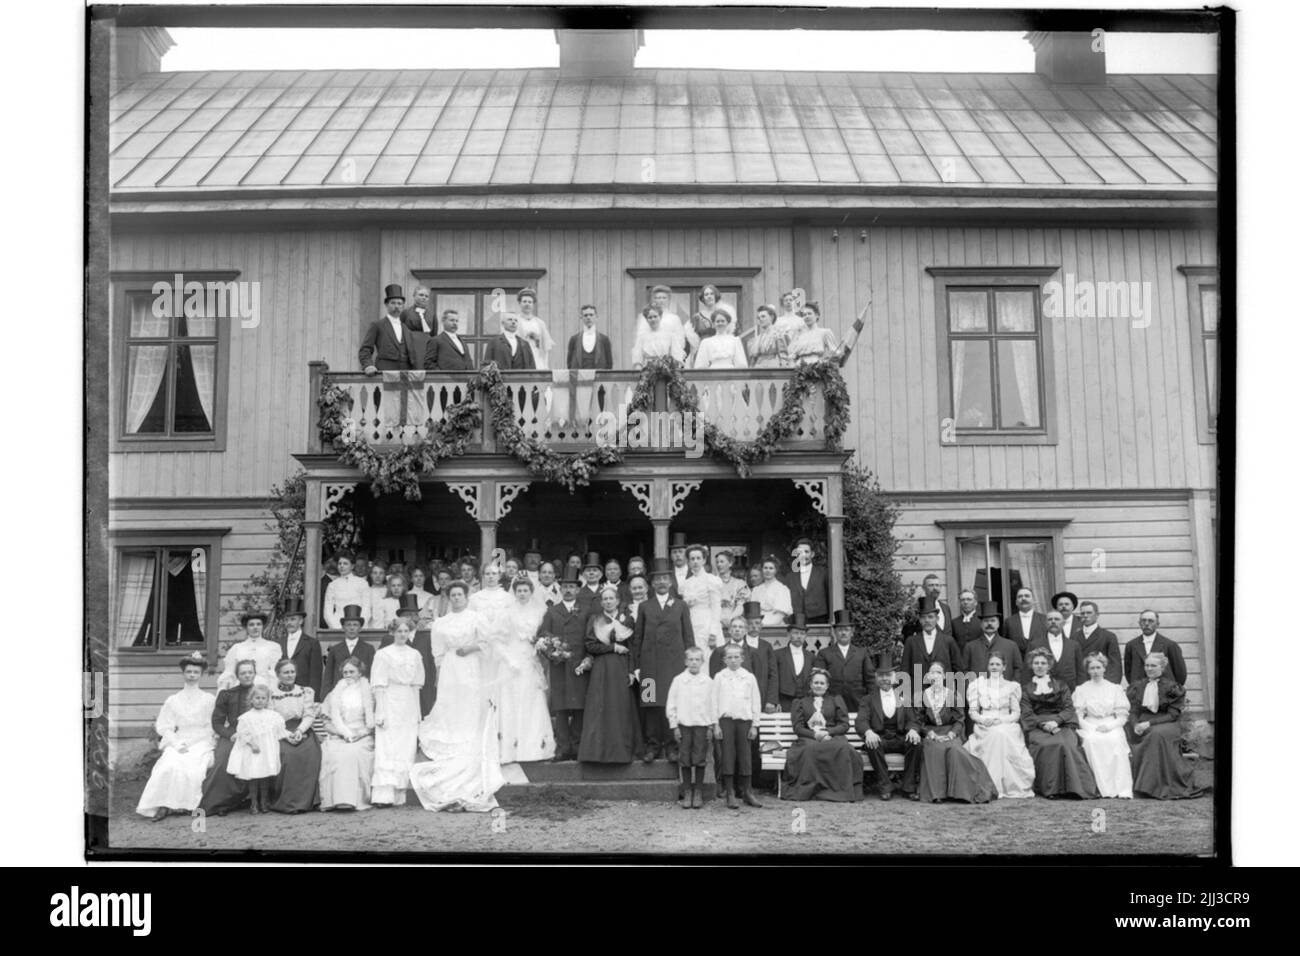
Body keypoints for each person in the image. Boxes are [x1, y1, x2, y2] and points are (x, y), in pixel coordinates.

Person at [410, 581, 505, 811]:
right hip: (451, 669)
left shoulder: (475, 618)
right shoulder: (441, 623)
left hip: (471, 666)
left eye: (459, 595)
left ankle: (467, 745)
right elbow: (438, 653)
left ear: (466, 596)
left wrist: (469, 649)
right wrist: (440, 676)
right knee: (449, 706)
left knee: (470, 707)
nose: (456, 598)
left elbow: (488, 643)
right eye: (452, 595)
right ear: (448, 597)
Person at [136, 652, 216, 821]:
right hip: (179, 740)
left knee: (193, 766)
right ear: (183, 674)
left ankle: (186, 806)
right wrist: (176, 743)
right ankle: (163, 805)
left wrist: (195, 741)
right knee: (168, 764)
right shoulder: (173, 700)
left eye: (195, 672)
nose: (192, 675)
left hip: (202, 740)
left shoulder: (209, 699)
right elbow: (164, 726)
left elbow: (211, 725)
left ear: (201, 674)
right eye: (189, 672)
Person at [632, 557, 695, 763]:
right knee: (651, 704)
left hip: (673, 665)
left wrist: (689, 663)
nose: (661, 582)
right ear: (652, 583)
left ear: (670, 582)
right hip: (649, 665)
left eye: (665, 578)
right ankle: (652, 746)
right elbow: (638, 638)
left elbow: (688, 636)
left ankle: (672, 746)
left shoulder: (680, 606)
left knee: (672, 703)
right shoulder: (645, 607)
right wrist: (637, 666)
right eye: (657, 579)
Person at [1019, 647, 1099, 799]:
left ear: (1049, 666)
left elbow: (1069, 708)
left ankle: (1075, 788)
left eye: (1043, 663)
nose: (1040, 666)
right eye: (1036, 663)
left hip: (1062, 724)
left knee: (1066, 744)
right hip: (1038, 727)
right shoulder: (1026, 689)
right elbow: (1027, 713)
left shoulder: (1061, 685)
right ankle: (1051, 789)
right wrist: (1043, 725)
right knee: (1047, 746)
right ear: (1031, 666)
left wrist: (1056, 721)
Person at [914, 663, 998, 804]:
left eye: (939, 672)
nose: (935, 675)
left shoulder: (953, 695)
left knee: (954, 750)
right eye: (932, 673)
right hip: (932, 732)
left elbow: (960, 720)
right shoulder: (921, 696)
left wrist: (952, 734)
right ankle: (937, 794)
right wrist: (930, 733)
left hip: (950, 731)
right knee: (934, 749)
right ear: (928, 676)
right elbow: (919, 721)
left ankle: (962, 792)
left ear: (944, 675)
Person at [579, 586, 644, 763]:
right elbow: (590, 645)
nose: (608, 601)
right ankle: (598, 753)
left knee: (621, 707)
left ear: (617, 601)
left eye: (611, 598)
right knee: (601, 706)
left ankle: (622, 751)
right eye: (605, 599)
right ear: (601, 603)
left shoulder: (628, 619)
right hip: (602, 668)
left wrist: (631, 670)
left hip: (622, 667)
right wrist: (612, 647)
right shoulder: (595, 619)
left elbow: (633, 647)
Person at [1127, 652, 1204, 799]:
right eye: (1147, 665)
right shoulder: (1137, 686)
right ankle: (1141, 784)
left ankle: (1153, 787)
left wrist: (1149, 723)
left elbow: (1173, 715)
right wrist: (1135, 724)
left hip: (1167, 723)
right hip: (1141, 722)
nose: (1149, 668)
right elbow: (1133, 711)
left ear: (1162, 667)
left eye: (1153, 666)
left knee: (1157, 734)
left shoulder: (1172, 687)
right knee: (1144, 733)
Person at [497, 577, 557, 763]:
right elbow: (498, 639)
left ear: (531, 592)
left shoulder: (541, 611)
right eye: (519, 591)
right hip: (513, 660)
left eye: (525, 590)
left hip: (531, 659)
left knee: (531, 700)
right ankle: (511, 749)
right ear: (514, 592)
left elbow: (545, 634)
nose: (522, 594)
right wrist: (509, 659)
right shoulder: (506, 613)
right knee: (512, 699)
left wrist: (540, 645)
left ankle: (532, 748)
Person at [783, 667, 865, 802]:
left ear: (827, 686)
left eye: (822, 683)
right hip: (809, 737)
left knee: (843, 748)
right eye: (816, 683)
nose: (818, 686)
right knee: (809, 749)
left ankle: (840, 791)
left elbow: (844, 725)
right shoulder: (800, 702)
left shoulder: (836, 700)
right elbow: (798, 727)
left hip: (832, 736)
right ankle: (810, 790)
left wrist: (828, 732)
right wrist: (814, 735)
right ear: (810, 684)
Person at [370, 616, 426, 807]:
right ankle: (384, 794)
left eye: (406, 631)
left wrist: (418, 712)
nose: (403, 634)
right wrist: (380, 711)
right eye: (399, 631)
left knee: (406, 746)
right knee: (387, 745)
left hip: (408, 703)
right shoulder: (384, 654)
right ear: (392, 632)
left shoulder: (415, 654)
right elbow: (378, 684)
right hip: (389, 700)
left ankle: (400, 792)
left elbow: (417, 685)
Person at [964, 651, 1036, 798]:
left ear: (1004, 667)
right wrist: (984, 720)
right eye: (992, 664)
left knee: (1002, 734)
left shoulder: (1012, 686)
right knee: (995, 734)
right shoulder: (978, 685)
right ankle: (989, 785)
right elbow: (973, 712)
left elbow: (1016, 713)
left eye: (998, 664)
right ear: (987, 666)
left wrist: (1001, 721)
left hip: (1006, 723)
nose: (994, 667)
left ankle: (1004, 786)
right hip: (985, 725)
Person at [541, 567, 593, 761]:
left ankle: (578, 746)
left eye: (572, 587)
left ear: (578, 590)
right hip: (560, 666)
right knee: (561, 706)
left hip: (579, 666)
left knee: (580, 705)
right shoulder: (553, 612)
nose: (569, 590)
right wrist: (553, 654)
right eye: (565, 587)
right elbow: (543, 637)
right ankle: (562, 746)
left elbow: (591, 637)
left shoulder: (586, 611)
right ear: (560, 589)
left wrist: (588, 659)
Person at [854, 653, 921, 801]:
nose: (885, 678)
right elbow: (860, 721)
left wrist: (913, 730)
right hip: (880, 739)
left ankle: (908, 787)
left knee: (916, 743)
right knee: (871, 744)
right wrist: (868, 732)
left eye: (888, 675)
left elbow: (913, 720)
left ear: (894, 677)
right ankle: (885, 787)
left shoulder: (903, 697)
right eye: (881, 675)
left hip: (899, 738)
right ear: (876, 678)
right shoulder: (868, 699)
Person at [198, 659, 257, 815]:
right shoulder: (227, 694)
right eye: (243, 673)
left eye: (250, 672)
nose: (247, 676)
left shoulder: (262, 693)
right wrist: (231, 735)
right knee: (223, 761)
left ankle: (256, 799)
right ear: (237, 675)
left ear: (255, 673)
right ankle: (221, 802)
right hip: (233, 733)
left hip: (257, 733)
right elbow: (216, 723)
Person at [318, 656, 375, 811]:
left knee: (354, 753)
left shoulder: (369, 693)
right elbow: (327, 723)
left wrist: (361, 734)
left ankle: (352, 800)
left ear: (360, 673)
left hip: (362, 735)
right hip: (340, 734)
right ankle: (334, 800)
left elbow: (373, 722)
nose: (348, 675)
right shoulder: (334, 694)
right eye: (345, 672)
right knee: (334, 752)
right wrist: (341, 733)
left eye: (352, 671)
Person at [1072, 653, 1133, 798]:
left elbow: (1123, 715)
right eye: (1092, 668)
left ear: (1104, 668)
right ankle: (1102, 788)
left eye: (1098, 667)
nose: (1095, 671)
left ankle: (1121, 789)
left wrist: (1110, 726)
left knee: (1116, 741)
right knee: (1092, 742)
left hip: (1112, 723)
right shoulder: (1082, 689)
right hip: (1091, 724)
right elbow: (1078, 714)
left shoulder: (1115, 688)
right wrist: (1090, 727)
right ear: (1087, 670)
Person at [712, 644, 764, 809]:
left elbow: (756, 701)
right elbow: (713, 702)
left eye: (736, 657)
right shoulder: (720, 677)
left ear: (742, 658)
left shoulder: (749, 677)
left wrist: (755, 725)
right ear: (724, 659)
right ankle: (730, 793)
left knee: (745, 755)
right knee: (727, 755)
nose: (733, 660)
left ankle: (747, 792)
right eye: (729, 657)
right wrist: (715, 725)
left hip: (744, 722)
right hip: (726, 721)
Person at [267, 660, 322, 813]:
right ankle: (288, 801)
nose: (290, 675)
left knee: (309, 753)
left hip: (302, 729)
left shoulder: (305, 691)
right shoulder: (271, 693)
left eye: (292, 672)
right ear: (278, 674)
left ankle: (308, 801)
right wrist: (285, 735)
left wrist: (299, 731)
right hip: (280, 731)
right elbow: (270, 718)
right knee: (287, 755)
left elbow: (309, 715)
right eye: (286, 672)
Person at [227, 684, 287, 814]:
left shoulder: (273, 716)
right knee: (254, 776)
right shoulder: (246, 717)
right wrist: (252, 743)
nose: (260, 700)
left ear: (267, 700)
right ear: (251, 699)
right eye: (257, 698)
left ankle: (264, 802)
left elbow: (280, 731)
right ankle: (254, 803)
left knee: (265, 776)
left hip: (267, 750)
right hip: (253, 751)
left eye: (263, 698)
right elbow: (242, 734)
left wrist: (290, 736)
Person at [666, 647, 714, 810]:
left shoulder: (707, 681)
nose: (694, 662)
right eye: (691, 659)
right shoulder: (678, 680)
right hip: (684, 726)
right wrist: (675, 726)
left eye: (697, 660)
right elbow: (671, 705)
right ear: (686, 662)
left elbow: (712, 705)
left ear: (702, 662)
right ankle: (687, 791)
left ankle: (698, 792)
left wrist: (710, 726)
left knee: (700, 759)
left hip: (701, 726)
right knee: (685, 759)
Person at [381, 595, 437, 719]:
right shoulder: (389, 639)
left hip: (423, 689)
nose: (410, 618)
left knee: (422, 720)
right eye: (406, 615)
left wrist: (432, 687)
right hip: (398, 691)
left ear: (418, 617)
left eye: (413, 614)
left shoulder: (426, 638)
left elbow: (432, 665)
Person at [814, 610, 874, 713]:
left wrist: (872, 701)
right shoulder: (824, 653)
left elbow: (870, 679)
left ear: (852, 632)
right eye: (840, 630)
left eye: (846, 630)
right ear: (835, 632)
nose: (843, 633)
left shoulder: (862, 653)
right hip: (832, 702)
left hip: (857, 702)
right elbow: (819, 679)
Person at [900, 596, 963, 688]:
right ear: (920, 620)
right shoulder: (911, 642)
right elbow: (905, 670)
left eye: (930, 617)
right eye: (923, 618)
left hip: (944, 693)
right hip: (918, 694)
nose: (927, 621)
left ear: (937, 619)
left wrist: (958, 694)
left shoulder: (948, 641)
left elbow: (958, 669)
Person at [217, 611, 281, 690]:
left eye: (258, 624)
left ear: (263, 626)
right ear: (246, 627)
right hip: (240, 688)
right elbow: (229, 673)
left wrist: (272, 691)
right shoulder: (237, 648)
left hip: (263, 688)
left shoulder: (273, 647)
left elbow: (274, 673)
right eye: (251, 625)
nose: (255, 627)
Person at [359, 284, 417, 373]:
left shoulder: (406, 329)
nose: (396, 306)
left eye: (399, 303)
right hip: (385, 372)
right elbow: (365, 349)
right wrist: (368, 365)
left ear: (403, 306)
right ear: (386, 305)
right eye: (393, 303)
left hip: (405, 374)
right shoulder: (377, 325)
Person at [322, 605, 376, 699]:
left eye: (355, 625)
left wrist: (371, 696)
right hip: (339, 695)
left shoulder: (369, 649)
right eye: (348, 625)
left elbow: (373, 675)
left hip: (361, 695)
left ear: (360, 628)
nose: (352, 628)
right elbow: (328, 676)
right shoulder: (335, 649)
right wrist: (326, 697)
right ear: (343, 627)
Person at [964, 601, 1024, 683]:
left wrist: (1011, 688)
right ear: (981, 624)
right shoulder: (970, 647)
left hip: (1005, 692)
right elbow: (965, 671)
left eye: (992, 621)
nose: (989, 623)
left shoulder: (1011, 646)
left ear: (998, 624)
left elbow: (1018, 670)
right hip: (979, 692)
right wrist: (973, 689)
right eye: (986, 621)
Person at [1123, 610, 1188, 687]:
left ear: (1157, 624)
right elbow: (1128, 672)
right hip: (1139, 691)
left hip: (1164, 692)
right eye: (1143, 621)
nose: (1147, 624)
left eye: (1151, 621)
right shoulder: (1131, 645)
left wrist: (1173, 690)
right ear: (1139, 623)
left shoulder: (1170, 645)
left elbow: (1180, 673)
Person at [1027, 610, 1086, 690]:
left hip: (1070, 691)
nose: (1053, 622)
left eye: (1057, 619)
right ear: (1045, 623)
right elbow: (1027, 671)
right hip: (1042, 692)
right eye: (1050, 619)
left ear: (1064, 623)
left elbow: (1080, 672)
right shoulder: (1034, 645)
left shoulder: (1074, 645)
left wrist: (1080, 690)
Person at [681, 544, 723, 652]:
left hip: (707, 623)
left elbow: (716, 607)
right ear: (688, 562)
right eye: (692, 559)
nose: (695, 561)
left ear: (704, 560)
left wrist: (713, 632)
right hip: (692, 623)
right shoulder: (686, 583)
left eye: (698, 558)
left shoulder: (712, 580)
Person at [278, 599, 322, 697]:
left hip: (304, 693)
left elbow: (316, 675)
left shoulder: (312, 643)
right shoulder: (278, 643)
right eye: (286, 620)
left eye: (293, 619)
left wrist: (313, 698)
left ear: (301, 621)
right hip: (282, 693)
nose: (289, 623)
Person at [1077, 601, 1123, 685]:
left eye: (1089, 613)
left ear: (1097, 615)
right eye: (1083, 613)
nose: (1085, 616)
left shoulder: (1108, 636)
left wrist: (1111, 686)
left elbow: (1115, 665)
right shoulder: (1074, 637)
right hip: (1080, 683)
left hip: (1101, 682)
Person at [774, 614, 814, 710]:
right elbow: (774, 680)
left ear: (806, 636)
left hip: (806, 702)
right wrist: (776, 702)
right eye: (795, 633)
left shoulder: (811, 657)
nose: (799, 636)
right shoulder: (778, 655)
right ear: (788, 634)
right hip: (784, 701)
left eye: (802, 633)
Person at [786, 538, 830, 624]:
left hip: (819, 619)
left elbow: (829, 596)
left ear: (812, 554)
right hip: (796, 621)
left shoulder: (823, 573)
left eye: (806, 552)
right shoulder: (790, 577)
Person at [323, 551, 371, 630]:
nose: (342, 566)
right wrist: (337, 628)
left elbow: (366, 608)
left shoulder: (362, 583)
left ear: (352, 566)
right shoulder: (332, 585)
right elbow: (327, 611)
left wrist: (359, 625)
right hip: (337, 626)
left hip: (359, 626)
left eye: (345, 564)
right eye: (340, 563)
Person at [512, 287, 555, 370]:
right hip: (521, 357)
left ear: (533, 305)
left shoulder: (540, 323)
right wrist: (525, 337)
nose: (527, 304)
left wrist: (537, 339)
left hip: (537, 356)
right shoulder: (515, 321)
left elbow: (546, 346)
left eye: (530, 302)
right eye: (524, 301)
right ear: (520, 303)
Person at [566, 303, 613, 370]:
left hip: (599, 379)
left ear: (596, 316)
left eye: (591, 315)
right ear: (581, 317)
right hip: (579, 379)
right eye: (585, 315)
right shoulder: (574, 339)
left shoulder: (604, 339)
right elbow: (569, 364)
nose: (588, 317)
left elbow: (609, 364)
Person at [751, 556, 793, 627]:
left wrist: (763, 624)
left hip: (775, 626)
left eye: (771, 568)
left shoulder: (782, 589)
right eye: (765, 568)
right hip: (756, 626)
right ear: (762, 570)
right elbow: (753, 612)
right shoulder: (756, 590)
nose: (768, 571)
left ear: (776, 570)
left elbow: (780, 614)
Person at [1003, 587, 1047, 655]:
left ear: (1034, 600)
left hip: (1040, 662)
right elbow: (1006, 645)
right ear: (1016, 602)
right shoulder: (1009, 622)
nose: (1023, 598)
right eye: (1020, 596)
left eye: (1027, 596)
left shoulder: (1044, 619)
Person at [713, 549, 749, 628]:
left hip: (734, 623)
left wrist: (731, 618)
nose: (719, 564)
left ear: (730, 563)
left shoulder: (740, 584)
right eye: (717, 562)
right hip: (715, 622)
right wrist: (719, 618)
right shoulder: (712, 583)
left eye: (722, 562)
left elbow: (740, 605)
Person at [575, 552, 605, 616]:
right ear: (583, 574)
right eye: (588, 570)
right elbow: (575, 615)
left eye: (595, 570)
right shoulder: (578, 594)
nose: (591, 573)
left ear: (601, 574)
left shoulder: (606, 591)